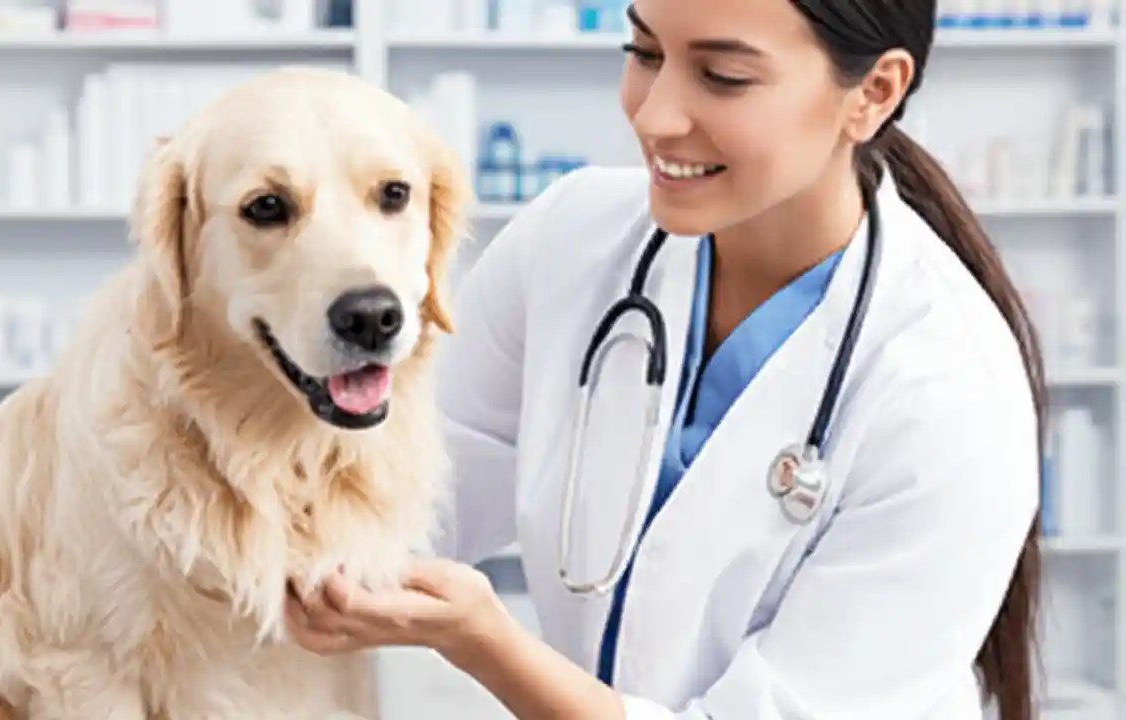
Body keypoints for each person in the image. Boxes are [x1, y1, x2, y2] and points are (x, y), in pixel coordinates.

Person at [284, 1, 1046, 718]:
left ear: (873, 92)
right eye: (644, 51)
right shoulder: (570, 240)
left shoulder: (950, 388)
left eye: (722, 77)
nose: (653, 115)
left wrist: (481, 639)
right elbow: (412, 498)